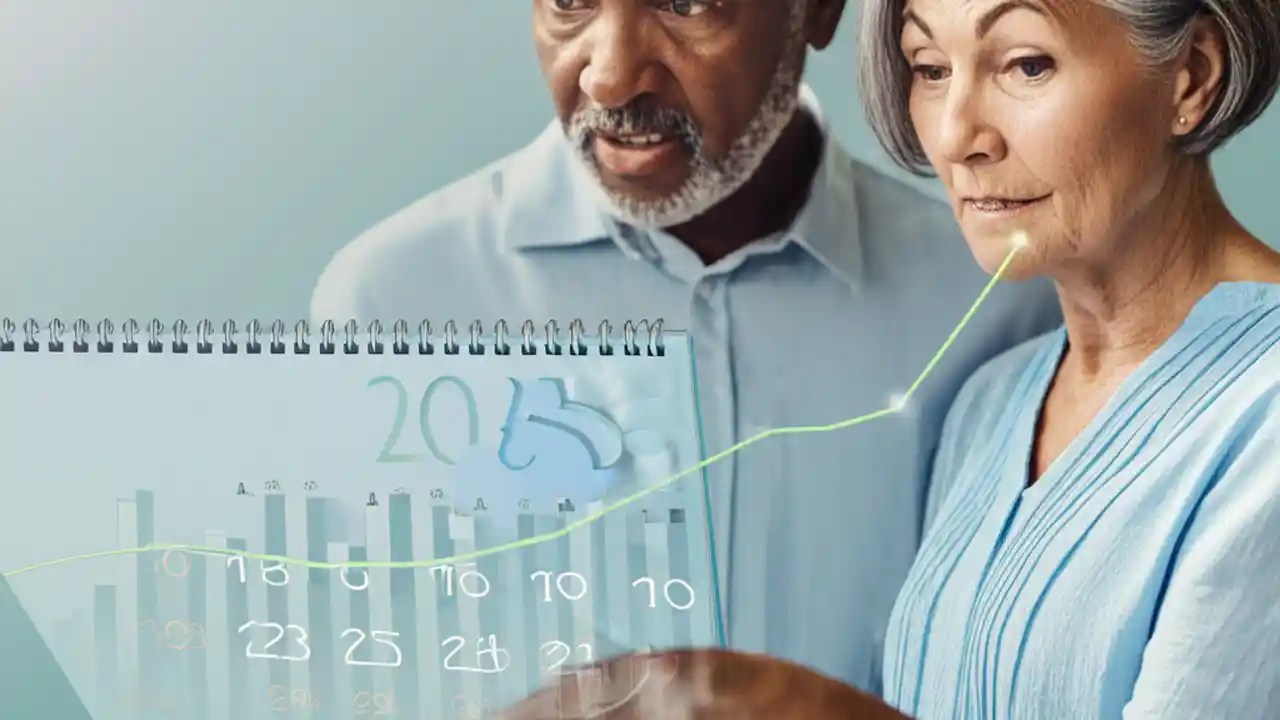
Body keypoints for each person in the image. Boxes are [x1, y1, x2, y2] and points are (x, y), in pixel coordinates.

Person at [310, 0, 1060, 692]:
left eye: (687, 2)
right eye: (570, 0)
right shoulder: (388, 308)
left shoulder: (1005, 309)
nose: (608, 75)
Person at [855, 0, 1280, 716]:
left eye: (1027, 64)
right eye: (930, 69)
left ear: (1192, 75)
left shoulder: (1263, 413)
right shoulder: (986, 406)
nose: (958, 137)